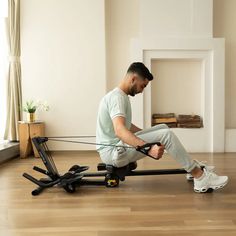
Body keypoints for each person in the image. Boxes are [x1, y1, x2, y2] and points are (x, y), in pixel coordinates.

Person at [96, 62, 228, 193]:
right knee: (166, 135)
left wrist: (149, 135)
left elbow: (127, 126)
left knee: (163, 128)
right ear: (133, 79)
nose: (142, 90)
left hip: (117, 148)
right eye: (143, 86)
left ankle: (191, 166)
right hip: (113, 153)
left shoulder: (119, 96)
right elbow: (120, 131)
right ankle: (200, 177)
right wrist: (147, 148)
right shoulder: (117, 98)